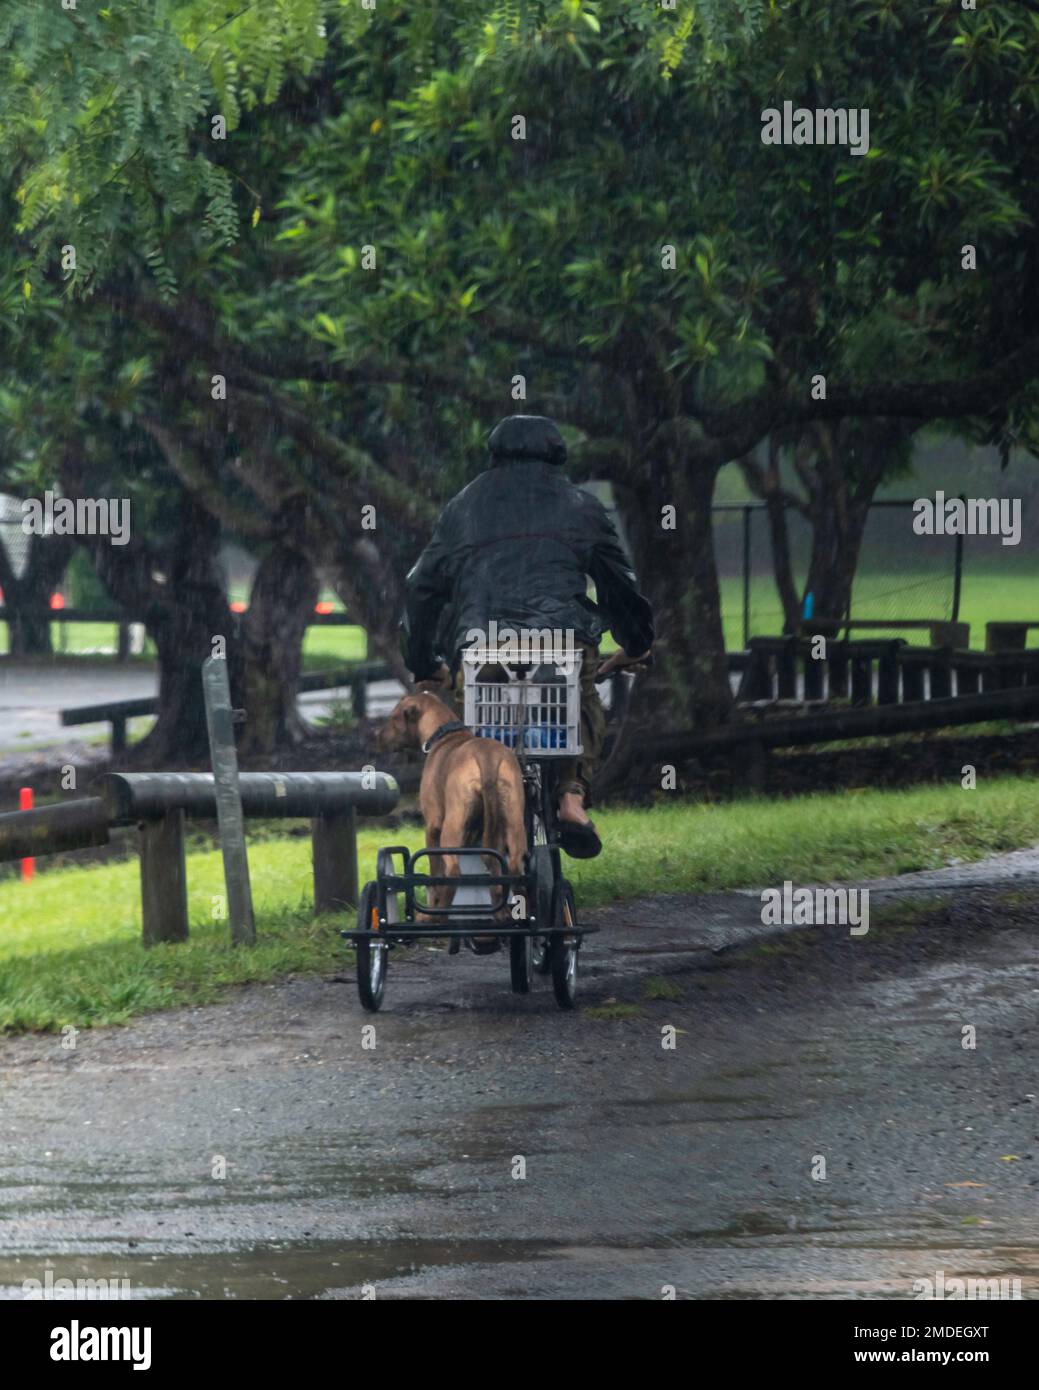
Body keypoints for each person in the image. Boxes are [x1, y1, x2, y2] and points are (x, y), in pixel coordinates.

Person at [400, 414, 654, 859]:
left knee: (481, 723)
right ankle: (571, 799)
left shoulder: (462, 507)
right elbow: (620, 585)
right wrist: (635, 641)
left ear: (494, 455)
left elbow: (421, 588)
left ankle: (479, 800)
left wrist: (425, 661)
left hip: (483, 647)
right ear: (557, 456)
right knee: (580, 699)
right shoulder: (581, 506)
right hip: (562, 644)